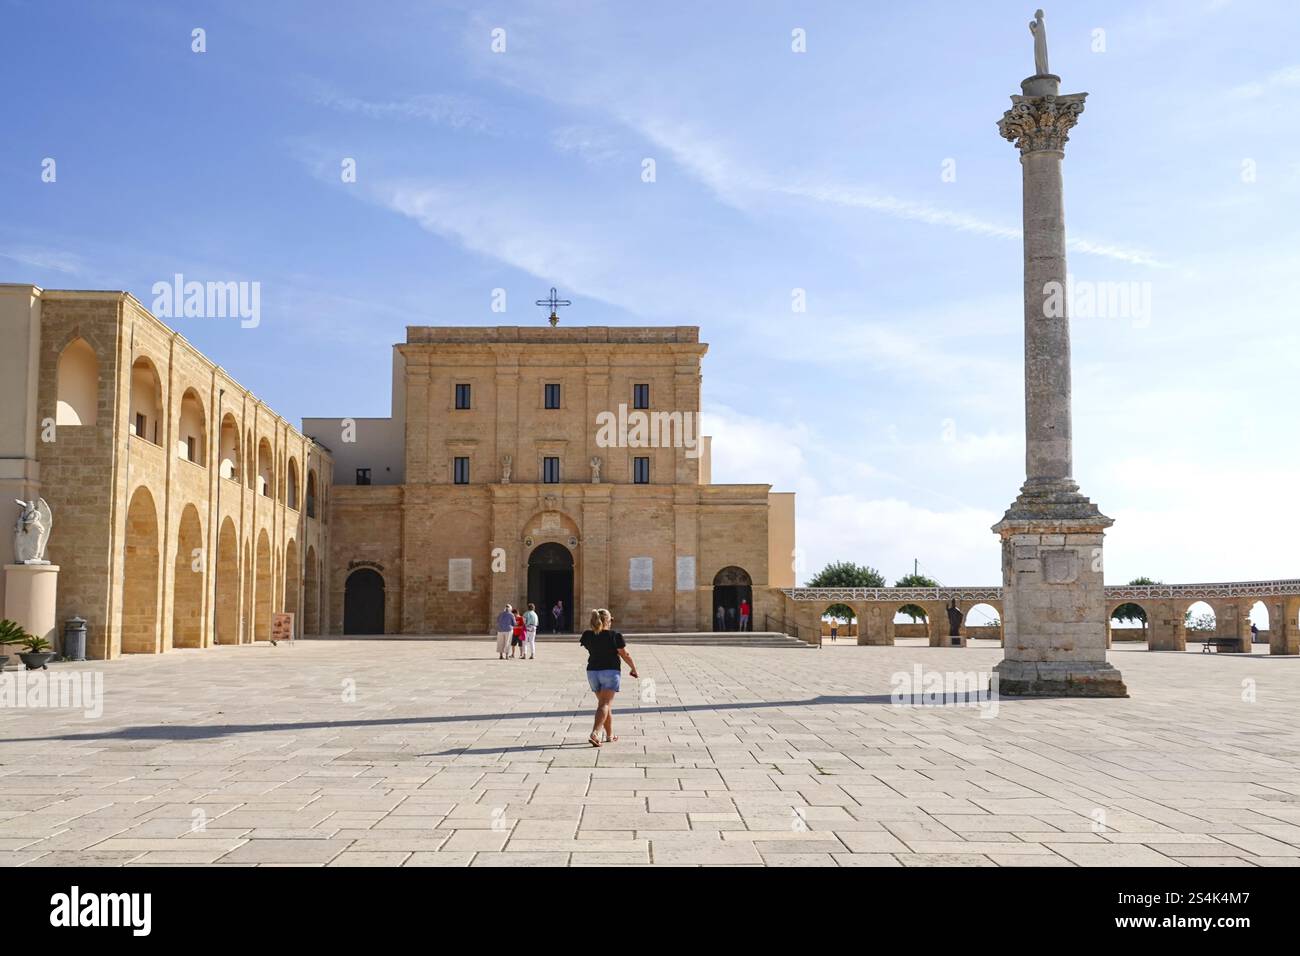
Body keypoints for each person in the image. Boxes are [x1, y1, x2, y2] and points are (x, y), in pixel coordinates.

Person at [579, 608, 637, 748]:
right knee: (604, 704)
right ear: (607, 621)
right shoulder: (614, 635)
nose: (612, 622)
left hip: (592, 672)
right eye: (611, 619)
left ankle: (610, 735)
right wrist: (633, 668)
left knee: (604, 705)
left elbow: (592, 648)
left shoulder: (587, 635)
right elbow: (625, 654)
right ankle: (595, 733)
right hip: (610, 671)